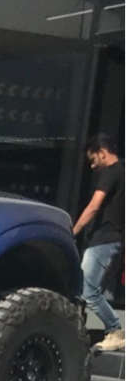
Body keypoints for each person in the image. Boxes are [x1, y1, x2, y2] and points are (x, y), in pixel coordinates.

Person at [72, 133, 124, 352]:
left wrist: (73, 231)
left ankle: (115, 330)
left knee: (87, 289)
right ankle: (76, 330)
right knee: (91, 289)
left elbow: (94, 206)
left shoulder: (111, 173)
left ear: (103, 154)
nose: (92, 166)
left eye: (93, 160)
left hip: (104, 238)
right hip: (115, 239)